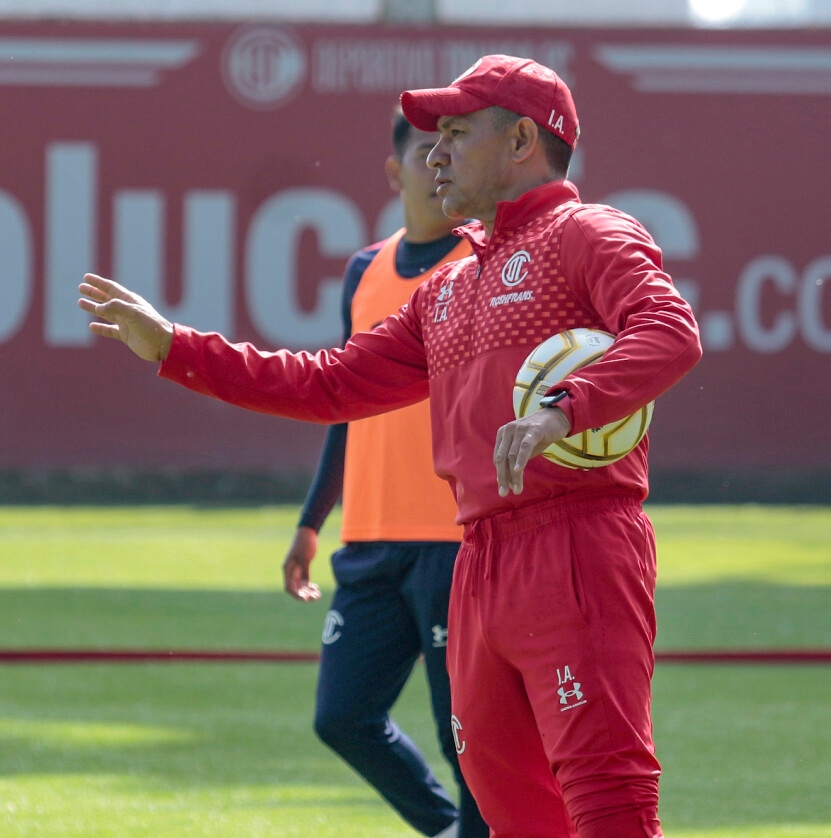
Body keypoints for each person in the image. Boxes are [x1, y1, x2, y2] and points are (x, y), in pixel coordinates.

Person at [79, 55, 702, 838]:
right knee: (513, 816)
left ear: (519, 141)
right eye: (431, 139)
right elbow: (328, 385)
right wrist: (177, 348)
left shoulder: (587, 233)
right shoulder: (446, 287)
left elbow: (669, 333)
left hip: (574, 546)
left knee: (607, 805)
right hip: (478, 559)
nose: (435, 153)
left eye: (455, 133)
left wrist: (562, 409)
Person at [284, 107, 486, 838]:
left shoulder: (484, 263)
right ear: (394, 171)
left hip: (454, 540)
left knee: (464, 739)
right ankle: (446, 830)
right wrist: (311, 522)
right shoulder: (364, 269)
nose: (440, 167)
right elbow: (345, 401)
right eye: (425, 155)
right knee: (342, 717)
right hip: (367, 541)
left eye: (452, 152)